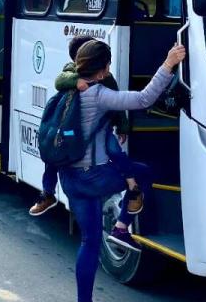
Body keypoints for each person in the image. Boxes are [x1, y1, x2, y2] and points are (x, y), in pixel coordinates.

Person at [61, 39, 185, 302]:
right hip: (92, 177)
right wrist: (168, 64)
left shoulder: (67, 90)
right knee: (143, 174)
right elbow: (143, 99)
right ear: (103, 70)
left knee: (89, 242)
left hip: (69, 176)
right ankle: (120, 227)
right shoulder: (99, 95)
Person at [29, 35, 132, 217]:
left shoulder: (106, 77)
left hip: (101, 128)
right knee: (53, 157)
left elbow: (117, 102)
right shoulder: (70, 72)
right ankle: (48, 193)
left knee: (114, 150)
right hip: (74, 129)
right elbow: (60, 80)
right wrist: (76, 82)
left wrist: (122, 126)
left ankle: (129, 179)